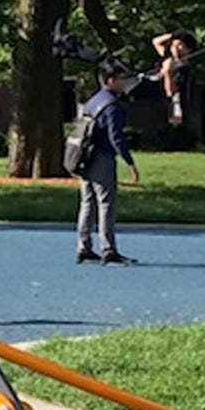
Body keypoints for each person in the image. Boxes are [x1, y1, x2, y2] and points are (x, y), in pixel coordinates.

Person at [72, 60, 141, 264]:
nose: (125, 83)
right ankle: (108, 248)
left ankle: (83, 246)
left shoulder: (94, 101)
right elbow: (115, 136)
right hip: (101, 156)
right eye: (122, 79)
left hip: (84, 156)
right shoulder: (113, 105)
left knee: (87, 202)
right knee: (106, 203)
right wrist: (129, 162)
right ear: (110, 80)